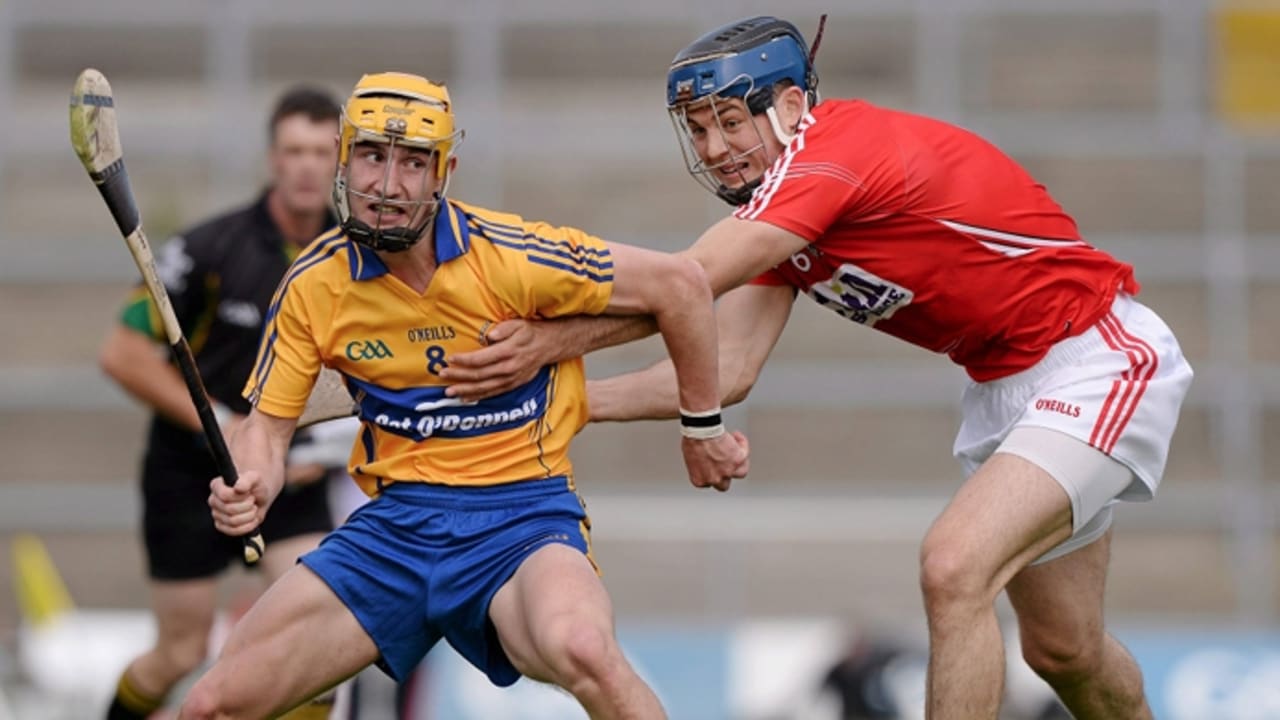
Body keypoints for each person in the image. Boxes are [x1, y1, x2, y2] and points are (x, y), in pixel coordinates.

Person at [438, 16, 1195, 720]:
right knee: (1065, 651)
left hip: (1094, 355)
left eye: (730, 120)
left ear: (793, 105)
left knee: (953, 567)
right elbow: (726, 367)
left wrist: (546, 344)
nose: (713, 147)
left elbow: (685, 283)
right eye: (698, 128)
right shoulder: (785, 214)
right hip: (1006, 386)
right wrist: (566, 399)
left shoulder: (834, 155)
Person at [178, 71, 748, 720]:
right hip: (394, 530)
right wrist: (254, 479)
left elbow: (681, 286)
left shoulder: (512, 255)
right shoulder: (313, 285)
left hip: (521, 519)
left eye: (412, 163)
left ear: (443, 172)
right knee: (212, 706)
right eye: (371, 156)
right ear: (343, 159)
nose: (387, 185)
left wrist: (702, 429)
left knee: (585, 649)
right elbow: (268, 428)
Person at [98, 86, 343, 720]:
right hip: (189, 475)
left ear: (341, 161)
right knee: (179, 652)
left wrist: (322, 444)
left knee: (320, 650)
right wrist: (231, 426)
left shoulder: (356, 260)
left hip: (292, 479)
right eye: (294, 150)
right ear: (272, 158)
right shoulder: (209, 249)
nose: (308, 166)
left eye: (322, 152)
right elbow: (123, 354)